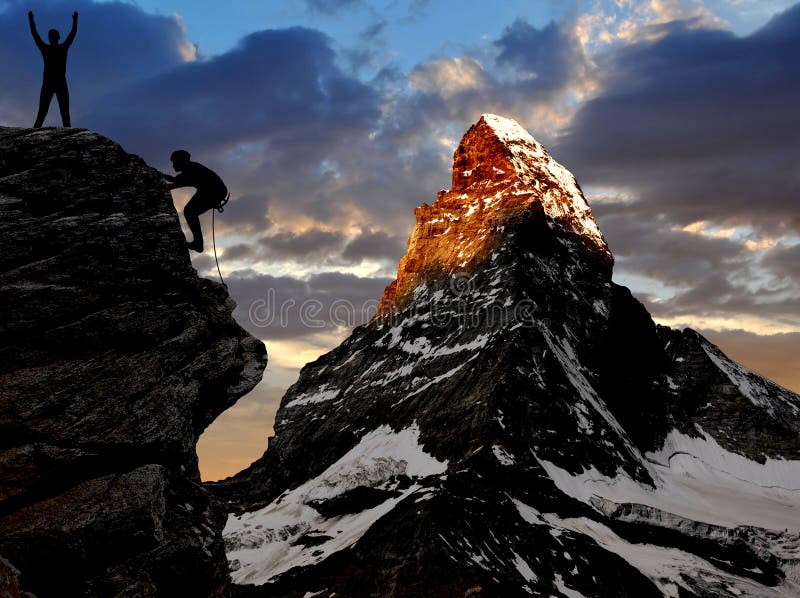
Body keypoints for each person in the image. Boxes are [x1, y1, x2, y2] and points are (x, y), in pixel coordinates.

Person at [164, 150, 228, 253]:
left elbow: (181, 182)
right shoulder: (190, 168)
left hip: (213, 191)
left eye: (174, 162)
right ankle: (198, 243)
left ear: (181, 161)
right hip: (214, 191)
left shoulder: (190, 168)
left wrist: (167, 186)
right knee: (190, 212)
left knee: (189, 212)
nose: (173, 165)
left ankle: (198, 243)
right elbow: (176, 180)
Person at [29, 10, 78, 128]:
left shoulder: (52, 48)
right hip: (53, 83)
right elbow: (35, 35)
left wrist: (31, 21)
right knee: (46, 114)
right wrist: (75, 22)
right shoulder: (55, 48)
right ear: (58, 37)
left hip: (55, 83)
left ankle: (69, 138)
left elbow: (36, 35)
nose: (52, 37)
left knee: (60, 114)